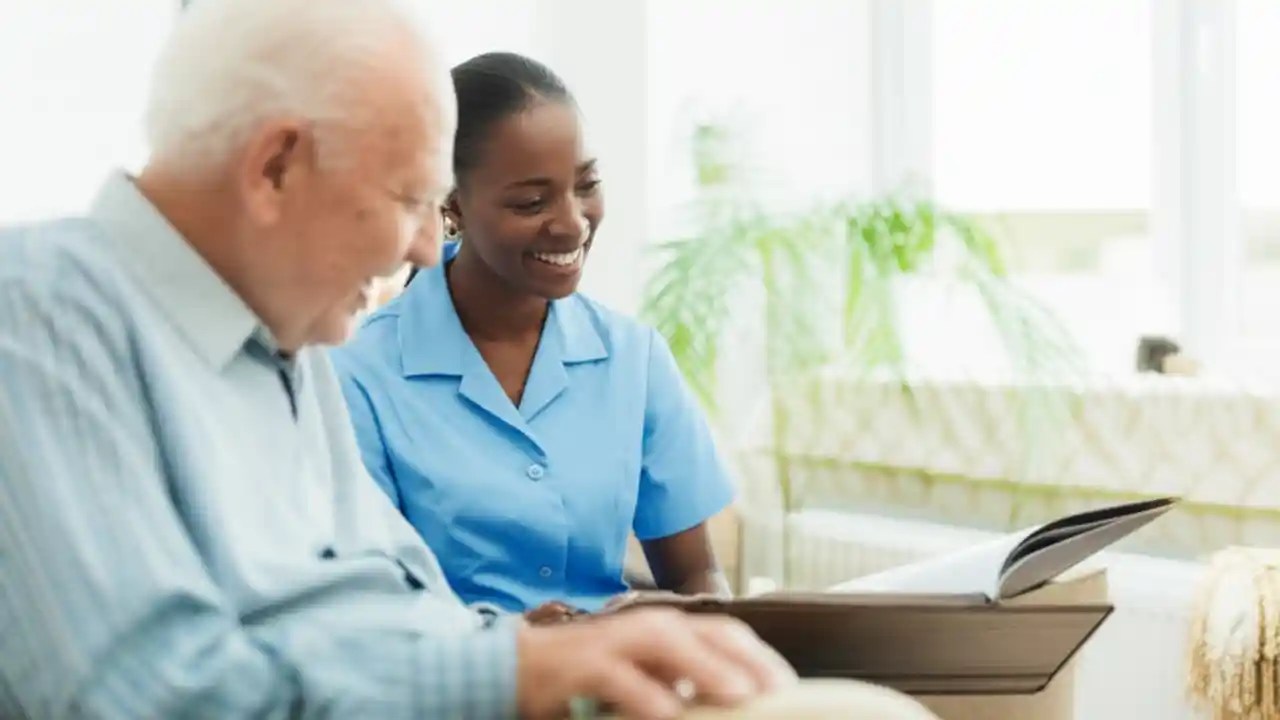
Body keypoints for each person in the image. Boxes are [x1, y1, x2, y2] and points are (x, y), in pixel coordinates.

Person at [0, 1, 796, 717]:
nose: (425, 246)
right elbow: (142, 695)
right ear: (275, 168)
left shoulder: (289, 342)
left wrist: (564, 654)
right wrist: (513, 673)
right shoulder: (37, 313)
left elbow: (400, 601)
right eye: (412, 199)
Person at [331, 52, 735, 618]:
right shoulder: (357, 375)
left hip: (620, 689)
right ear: (452, 205)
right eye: (531, 201)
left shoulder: (632, 359)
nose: (573, 222)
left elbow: (696, 574)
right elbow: (364, 606)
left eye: (586, 184)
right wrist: (509, 649)